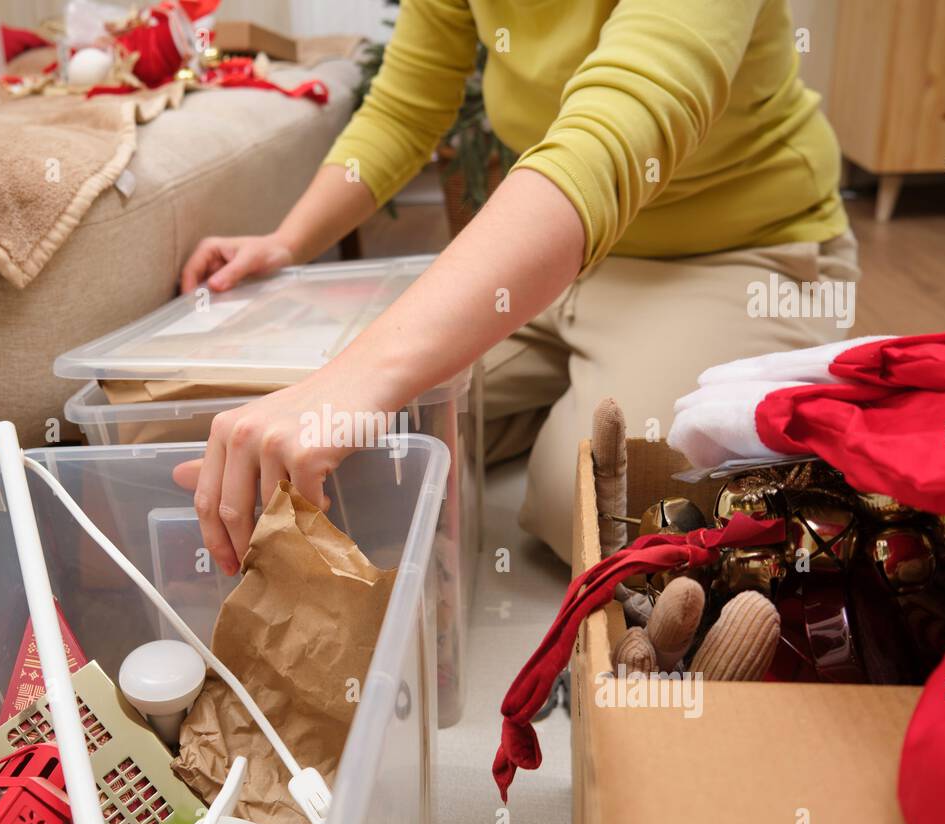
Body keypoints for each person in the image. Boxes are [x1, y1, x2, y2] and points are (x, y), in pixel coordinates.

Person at [175, 0, 859, 576]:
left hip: (734, 251)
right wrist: (288, 241)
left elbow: (618, 129)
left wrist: (358, 378)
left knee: (601, 510)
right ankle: (573, 390)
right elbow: (403, 110)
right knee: (322, 438)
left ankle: (587, 396)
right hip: (562, 255)